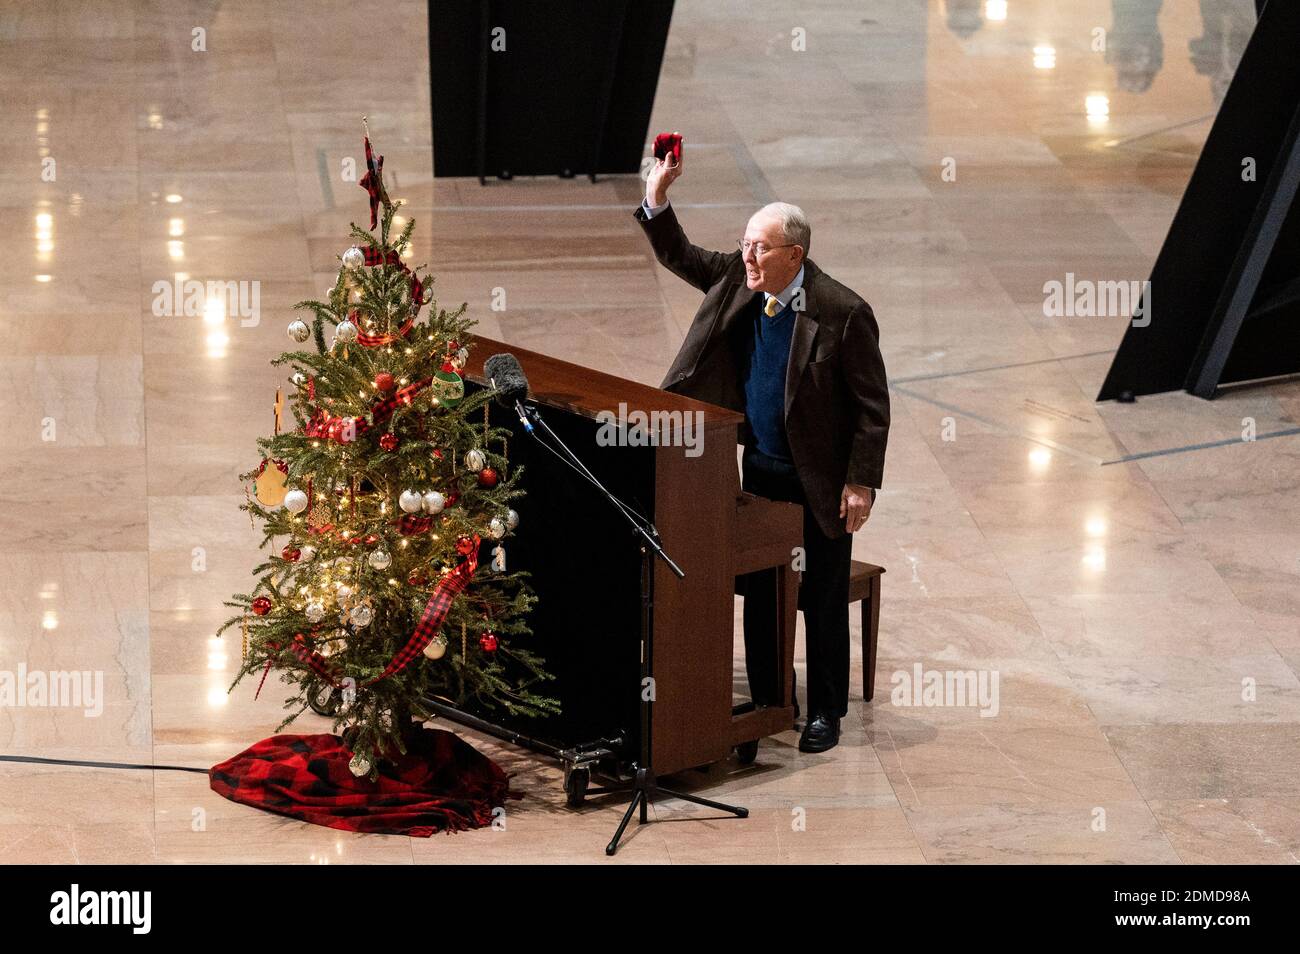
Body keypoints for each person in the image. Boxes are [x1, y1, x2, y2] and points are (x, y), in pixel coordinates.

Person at [635, 136, 890, 753]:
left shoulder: (843, 311)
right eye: (746, 244)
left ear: (795, 254)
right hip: (761, 470)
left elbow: (872, 407)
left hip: (821, 479)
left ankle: (825, 710)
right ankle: (773, 704)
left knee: (821, 596)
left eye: (760, 247)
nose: (746, 255)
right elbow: (679, 254)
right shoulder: (739, 281)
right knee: (761, 590)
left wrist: (861, 482)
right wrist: (656, 196)